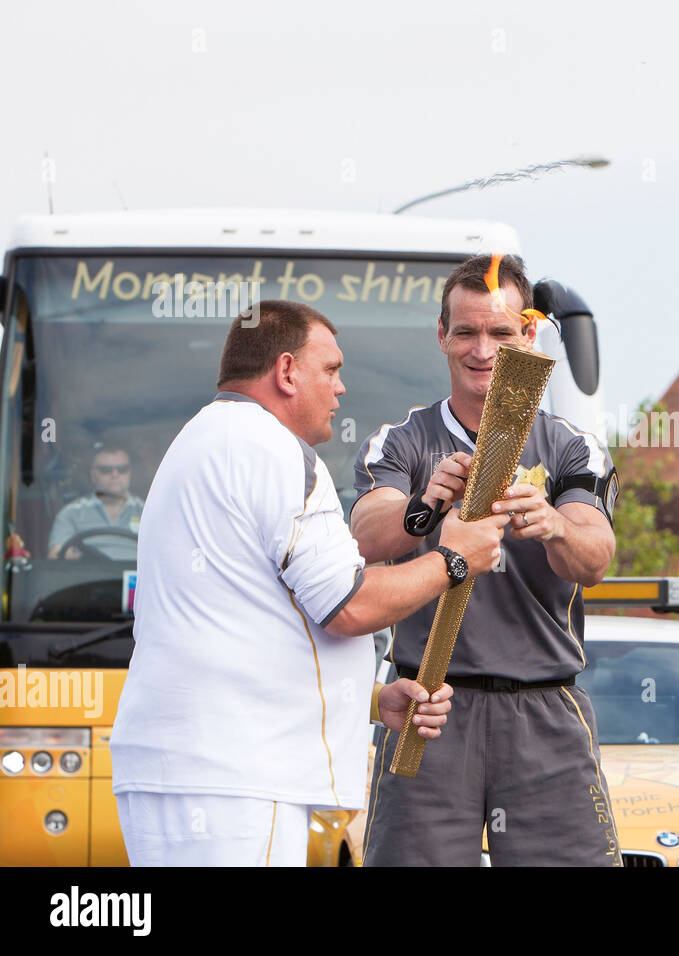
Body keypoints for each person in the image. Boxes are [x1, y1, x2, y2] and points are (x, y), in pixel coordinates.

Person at [111, 300, 510, 866]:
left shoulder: (198, 440)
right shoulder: (274, 451)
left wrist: (369, 702)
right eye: (331, 369)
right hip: (239, 776)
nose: (341, 389)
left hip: (180, 768)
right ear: (287, 372)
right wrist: (453, 557)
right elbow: (347, 605)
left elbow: (250, 621)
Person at [351, 254, 621, 867]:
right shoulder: (403, 439)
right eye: (467, 331)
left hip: (544, 708)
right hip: (429, 706)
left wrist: (552, 524)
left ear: (529, 335)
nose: (483, 350)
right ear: (441, 334)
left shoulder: (571, 445)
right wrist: (427, 505)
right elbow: (367, 534)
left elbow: (595, 555)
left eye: (501, 333)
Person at [48, 444, 144, 560]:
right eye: (106, 470)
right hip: (88, 577)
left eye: (122, 469)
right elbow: (55, 554)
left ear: (130, 473)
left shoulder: (146, 512)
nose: (115, 474)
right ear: (93, 475)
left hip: (136, 577)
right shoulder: (71, 513)